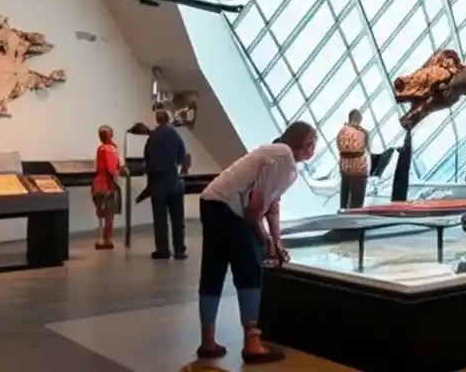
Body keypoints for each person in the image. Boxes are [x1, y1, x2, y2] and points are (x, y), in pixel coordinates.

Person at [196, 122, 316, 365]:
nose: (313, 147)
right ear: (303, 142)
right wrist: (265, 240)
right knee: (250, 269)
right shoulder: (284, 157)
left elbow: (272, 205)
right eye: (311, 141)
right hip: (230, 208)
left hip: (211, 201)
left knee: (213, 271)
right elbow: (255, 208)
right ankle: (252, 344)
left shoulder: (275, 152)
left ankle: (207, 342)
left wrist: (276, 240)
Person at [144, 108, 191, 260]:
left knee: (160, 220)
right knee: (178, 219)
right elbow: (182, 156)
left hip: (157, 183)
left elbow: (147, 160)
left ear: (157, 120)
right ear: (168, 118)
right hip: (173, 181)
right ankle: (179, 250)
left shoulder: (152, 137)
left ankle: (163, 251)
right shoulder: (175, 135)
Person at [91, 125, 123, 250]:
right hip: (107, 184)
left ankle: (101, 238)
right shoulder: (111, 149)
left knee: (101, 212)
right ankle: (107, 239)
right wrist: (112, 186)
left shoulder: (100, 149)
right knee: (109, 214)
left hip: (98, 184)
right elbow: (111, 169)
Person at [336, 109, 369, 210]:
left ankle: (343, 211)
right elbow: (366, 147)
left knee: (344, 196)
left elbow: (339, 147)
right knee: (357, 201)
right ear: (359, 119)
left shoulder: (341, 132)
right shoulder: (363, 133)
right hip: (359, 169)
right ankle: (354, 213)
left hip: (345, 167)